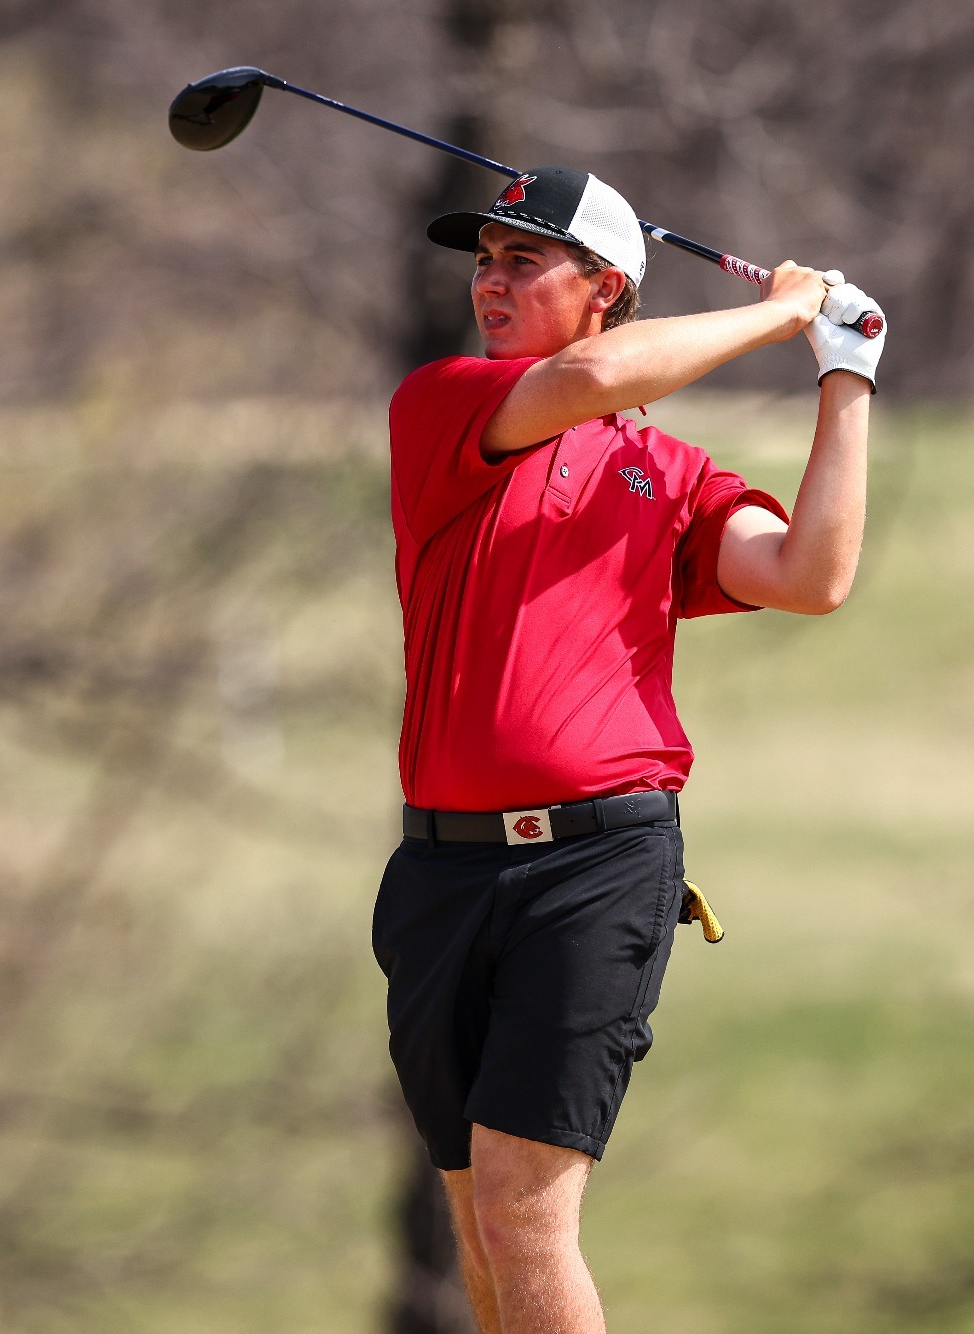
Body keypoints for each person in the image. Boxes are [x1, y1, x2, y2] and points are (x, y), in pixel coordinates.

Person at [372, 166, 885, 1334]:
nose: (489, 282)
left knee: (520, 1215)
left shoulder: (671, 478)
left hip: (593, 867)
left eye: (523, 260)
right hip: (440, 875)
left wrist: (841, 372)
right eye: (484, 259)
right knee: (480, 1233)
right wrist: (783, 307)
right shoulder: (444, 404)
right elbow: (590, 378)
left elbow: (810, 575)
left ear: (605, 285)